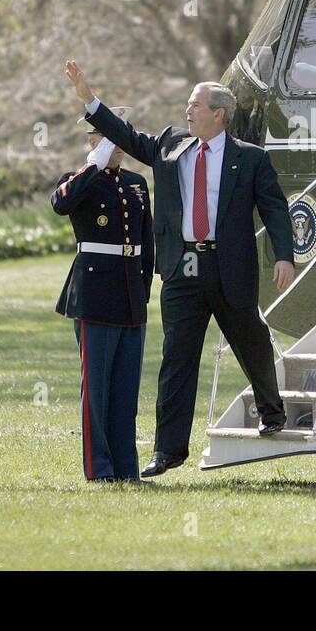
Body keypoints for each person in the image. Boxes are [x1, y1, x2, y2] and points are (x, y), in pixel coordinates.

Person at [64, 61, 296, 479]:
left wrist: (285, 256)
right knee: (177, 359)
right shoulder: (170, 145)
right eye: (188, 105)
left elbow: (275, 208)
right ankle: (167, 452)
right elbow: (128, 137)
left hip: (230, 267)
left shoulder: (251, 159)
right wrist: (90, 101)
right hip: (182, 268)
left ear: (219, 114)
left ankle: (272, 411)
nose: (187, 111)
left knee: (251, 338)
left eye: (195, 105)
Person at [50, 109, 154, 483]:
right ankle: (100, 469)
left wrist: (143, 292)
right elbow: (61, 202)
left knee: (125, 390)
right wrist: (93, 165)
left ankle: (127, 469)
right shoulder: (80, 181)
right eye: (109, 139)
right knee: (97, 390)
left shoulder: (136, 183)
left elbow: (146, 242)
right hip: (94, 294)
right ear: (92, 142)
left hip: (129, 295)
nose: (119, 148)